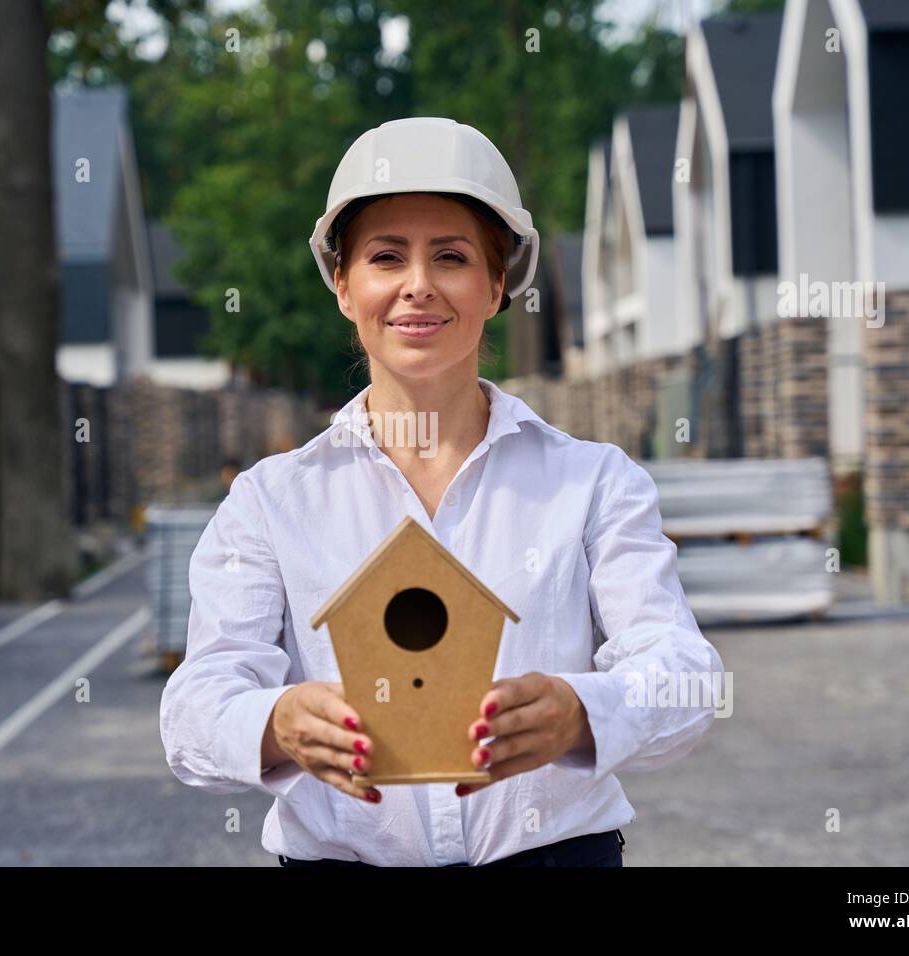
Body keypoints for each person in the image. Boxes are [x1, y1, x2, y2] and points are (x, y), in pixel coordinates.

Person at [159, 117, 724, 867]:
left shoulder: (594, 483)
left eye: (451, 257)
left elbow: (684, 673)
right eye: (386, 256)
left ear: (496, 285)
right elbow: (196, 705)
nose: (417, 285)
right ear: (344, 286)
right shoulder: (271, 501)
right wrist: (276, 722)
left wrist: (582, 712)